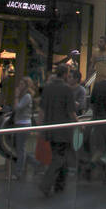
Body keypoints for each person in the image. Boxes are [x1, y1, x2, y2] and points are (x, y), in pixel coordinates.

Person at [38, 63, 77, 197]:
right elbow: (71, 112)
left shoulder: (48, 88)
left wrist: (40, 126)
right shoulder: (67, 89)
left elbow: (41, 110)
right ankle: (46, 184)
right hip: (63, 129)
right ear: (65, 74)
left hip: (50, 128)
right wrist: (78, 124)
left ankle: (60, 184)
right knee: (59, 157)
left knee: (60, 156)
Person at [12, 76, 36, 180]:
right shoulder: (24, 96)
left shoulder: (27, 96)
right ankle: (36, 163)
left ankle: (19, 171)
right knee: (20, 148)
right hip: (19, 123)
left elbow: (17, 107)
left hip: (24, 124)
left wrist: (16, 97)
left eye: (22, 84)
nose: (19, 86)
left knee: (21, 148)